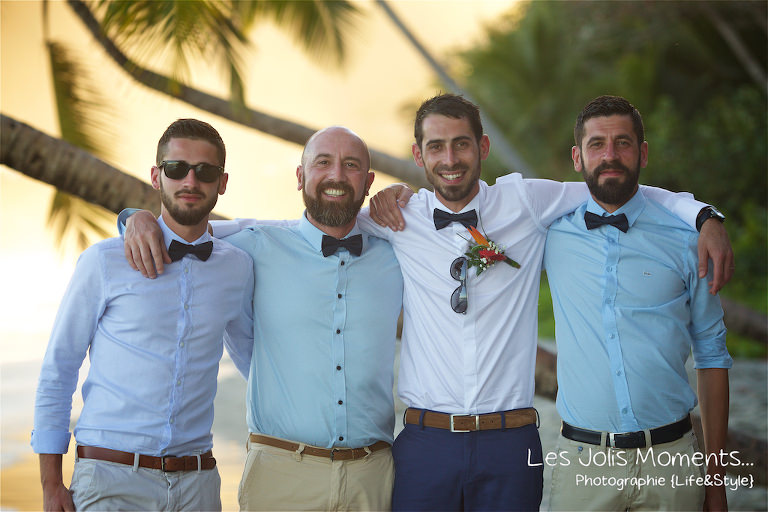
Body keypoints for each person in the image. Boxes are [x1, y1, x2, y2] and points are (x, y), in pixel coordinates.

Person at [360, 93, 732, 511]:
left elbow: (618, 187)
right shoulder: (395, 219)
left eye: (462, 143)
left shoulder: (527, 204)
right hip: (426, 439)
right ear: (418, 154)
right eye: (436, 146)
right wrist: (383, 194)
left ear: (482, 148)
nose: (451, 158)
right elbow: (333, 222)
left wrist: (705, 216)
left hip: (512, 440)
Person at [122, 126, 404, 511]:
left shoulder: (398, 254)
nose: (336, 175)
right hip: (279, 474)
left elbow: (451, 230)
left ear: (368, 181)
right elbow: (182, 230)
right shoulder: (253, 246)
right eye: (323, 162)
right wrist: (135, 218)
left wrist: (406, 198)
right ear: (301, 176)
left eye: (351, 165)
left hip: (373, 476)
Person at [31, 119, 255, 511]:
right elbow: (59, 369)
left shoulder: (238, 267)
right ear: (156, 176)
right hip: (110, 479)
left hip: (197, 485)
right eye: (176, 169)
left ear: (222, 183)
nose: (190, 180)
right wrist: (51, 484)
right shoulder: (103, 261)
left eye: (205, 171)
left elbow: (254, 359)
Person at [543, 95, 731, 511]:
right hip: (581, 464)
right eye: (597, 144)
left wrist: (715, 484)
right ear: (578, 157)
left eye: (623, 143)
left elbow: (713, 357)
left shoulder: (688, 242)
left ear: (642, 153)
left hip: (672, 461)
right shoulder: (549, 235)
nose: (610, 156)